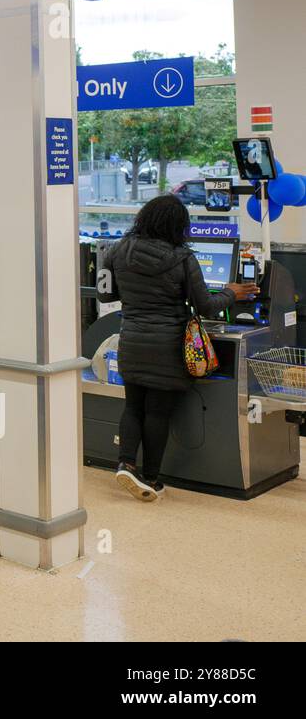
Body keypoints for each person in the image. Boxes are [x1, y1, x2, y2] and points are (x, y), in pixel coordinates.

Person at [97, 194, 259, 501]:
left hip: (131, 339)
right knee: (157, 413)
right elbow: (207, 306)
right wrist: (231, 292)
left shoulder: (117, 251)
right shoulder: (182, 258)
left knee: (133, 405)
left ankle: (126, 463)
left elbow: (105, 296)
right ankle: (152, 479)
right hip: (169, 345)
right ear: (178, 226)